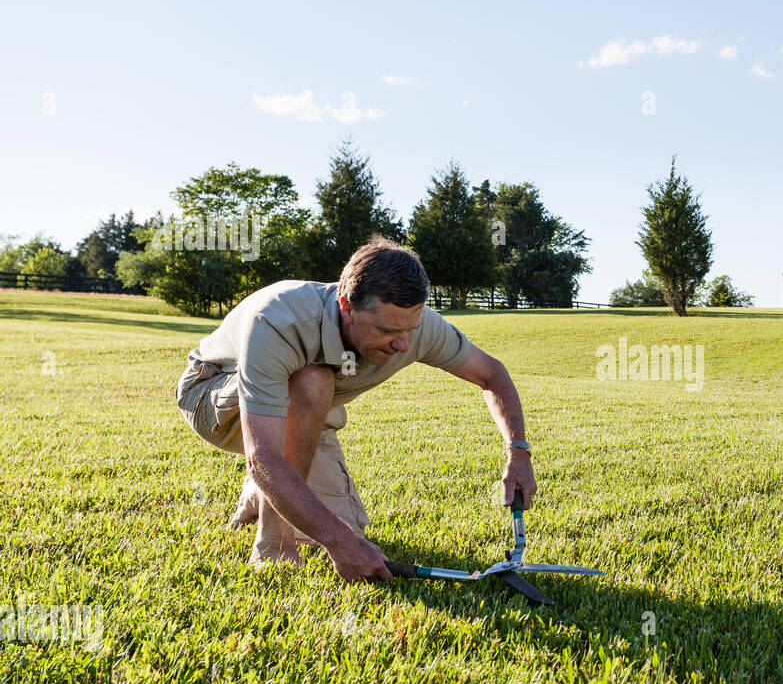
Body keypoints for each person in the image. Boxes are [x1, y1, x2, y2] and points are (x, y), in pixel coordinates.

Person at [175, 235, 536, 582]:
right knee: (314, 380)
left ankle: (260, 495)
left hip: (298, 412)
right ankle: (272, 542)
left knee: (348, 530)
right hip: (213, 396)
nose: (402, 344)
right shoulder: (279, 321)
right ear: (347, 307)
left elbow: (492, 374)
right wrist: (333, 541)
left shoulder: (411, 324)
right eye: (387, 331)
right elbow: (264, 456)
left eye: (411, 328)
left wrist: (518, 452)